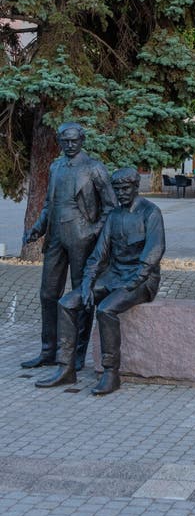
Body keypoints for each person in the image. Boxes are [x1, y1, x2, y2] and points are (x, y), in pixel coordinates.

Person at [35, 167, 166, 396]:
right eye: (117, 189)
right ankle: (66, 368)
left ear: (136, 187)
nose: (122, 193)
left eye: (126, 188)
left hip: (141, 280)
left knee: (105, 310)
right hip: (114, 275)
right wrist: (86, 282)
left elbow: (155, 249)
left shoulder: (150, 212)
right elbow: (99, 254)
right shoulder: (114, 215)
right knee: (67, 302)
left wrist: (135, 279)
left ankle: (111, 372)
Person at [21, 122, 117, 371]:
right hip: (55, 237)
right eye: (65, 141)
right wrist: (38, 228)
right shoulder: (56, 166)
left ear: (82, 140)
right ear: (60, 141)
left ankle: (75, 354)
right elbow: (48, 204)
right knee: (48, 293)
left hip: (81, 239)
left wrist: (92, 232)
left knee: (80, 295)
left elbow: (110, 207)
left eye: (74, 140)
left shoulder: (94, 168)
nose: (70, 145)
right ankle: (49, 350)